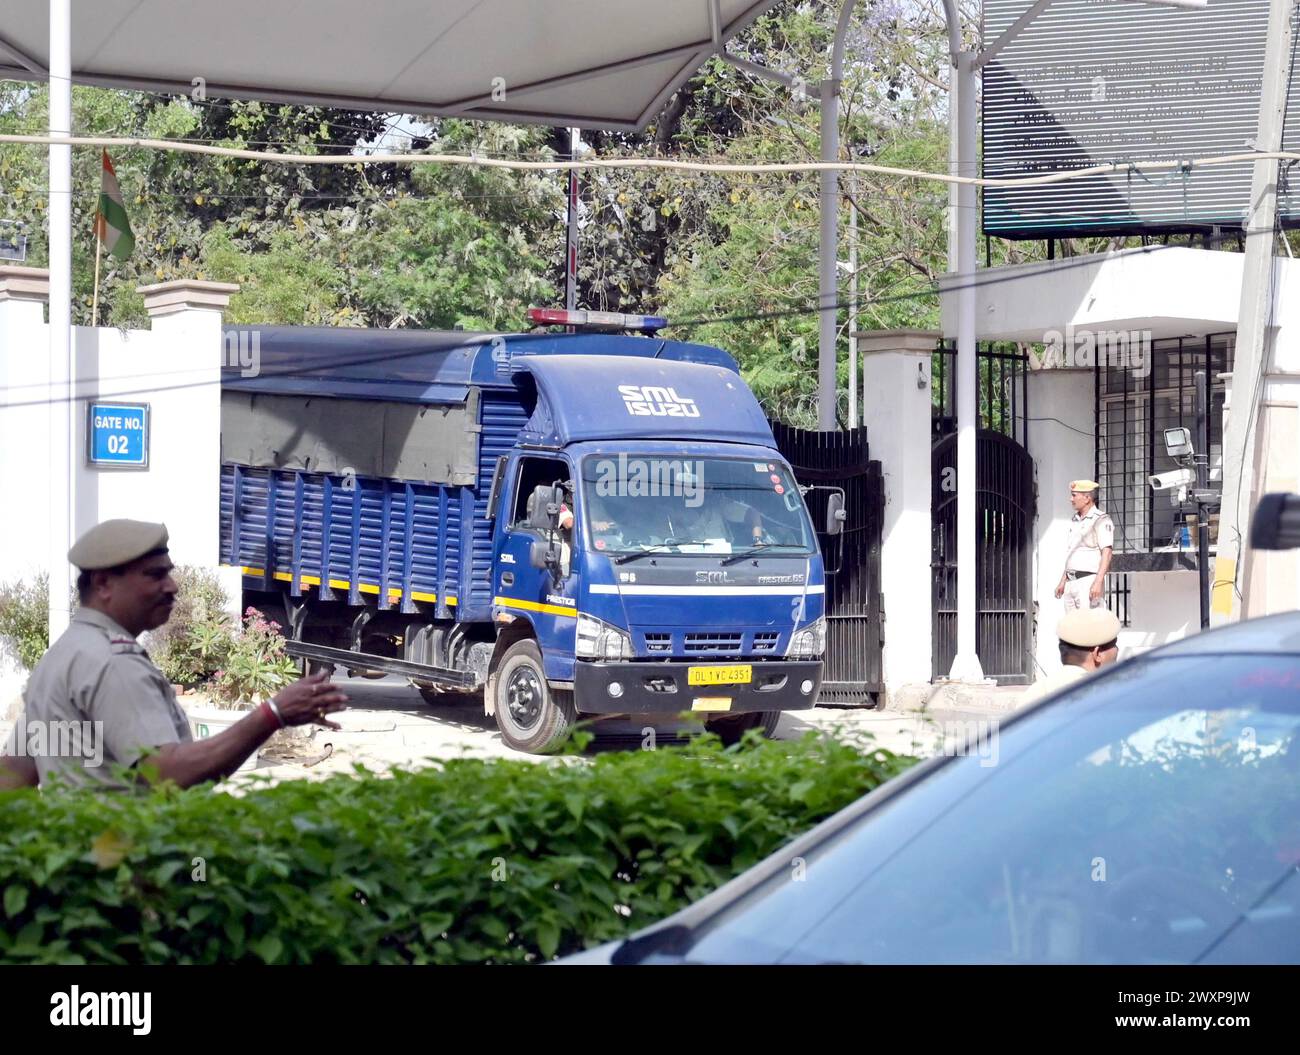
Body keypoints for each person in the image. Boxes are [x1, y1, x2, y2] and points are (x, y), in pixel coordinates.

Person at [0, 519, 347, 792]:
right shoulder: (112, 663)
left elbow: (16, 776)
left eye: (169, 572)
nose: (173, 586)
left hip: (80, 870)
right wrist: (273, 714)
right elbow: (167, 773)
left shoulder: (62, 656)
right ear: (103, 583)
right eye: (155, 575)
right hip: (129, 869)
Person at [1022, 607, 1121, 705]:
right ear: (1097, 654)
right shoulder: (1108, 698)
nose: (1117, 649)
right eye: (1114, 645)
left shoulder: (1035, 693)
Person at [1055, 479, 1114, 610]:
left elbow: (1107, 552)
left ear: (1087, 498)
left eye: (1074, 495)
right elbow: (1073, 552)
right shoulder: (1075, 520)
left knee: (1089, 626)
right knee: (1072, 627)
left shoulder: (1101, 519)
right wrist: (1063, 580)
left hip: (1088, 581)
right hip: (1071, 582)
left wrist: (1098, 582)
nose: (1071, 499)